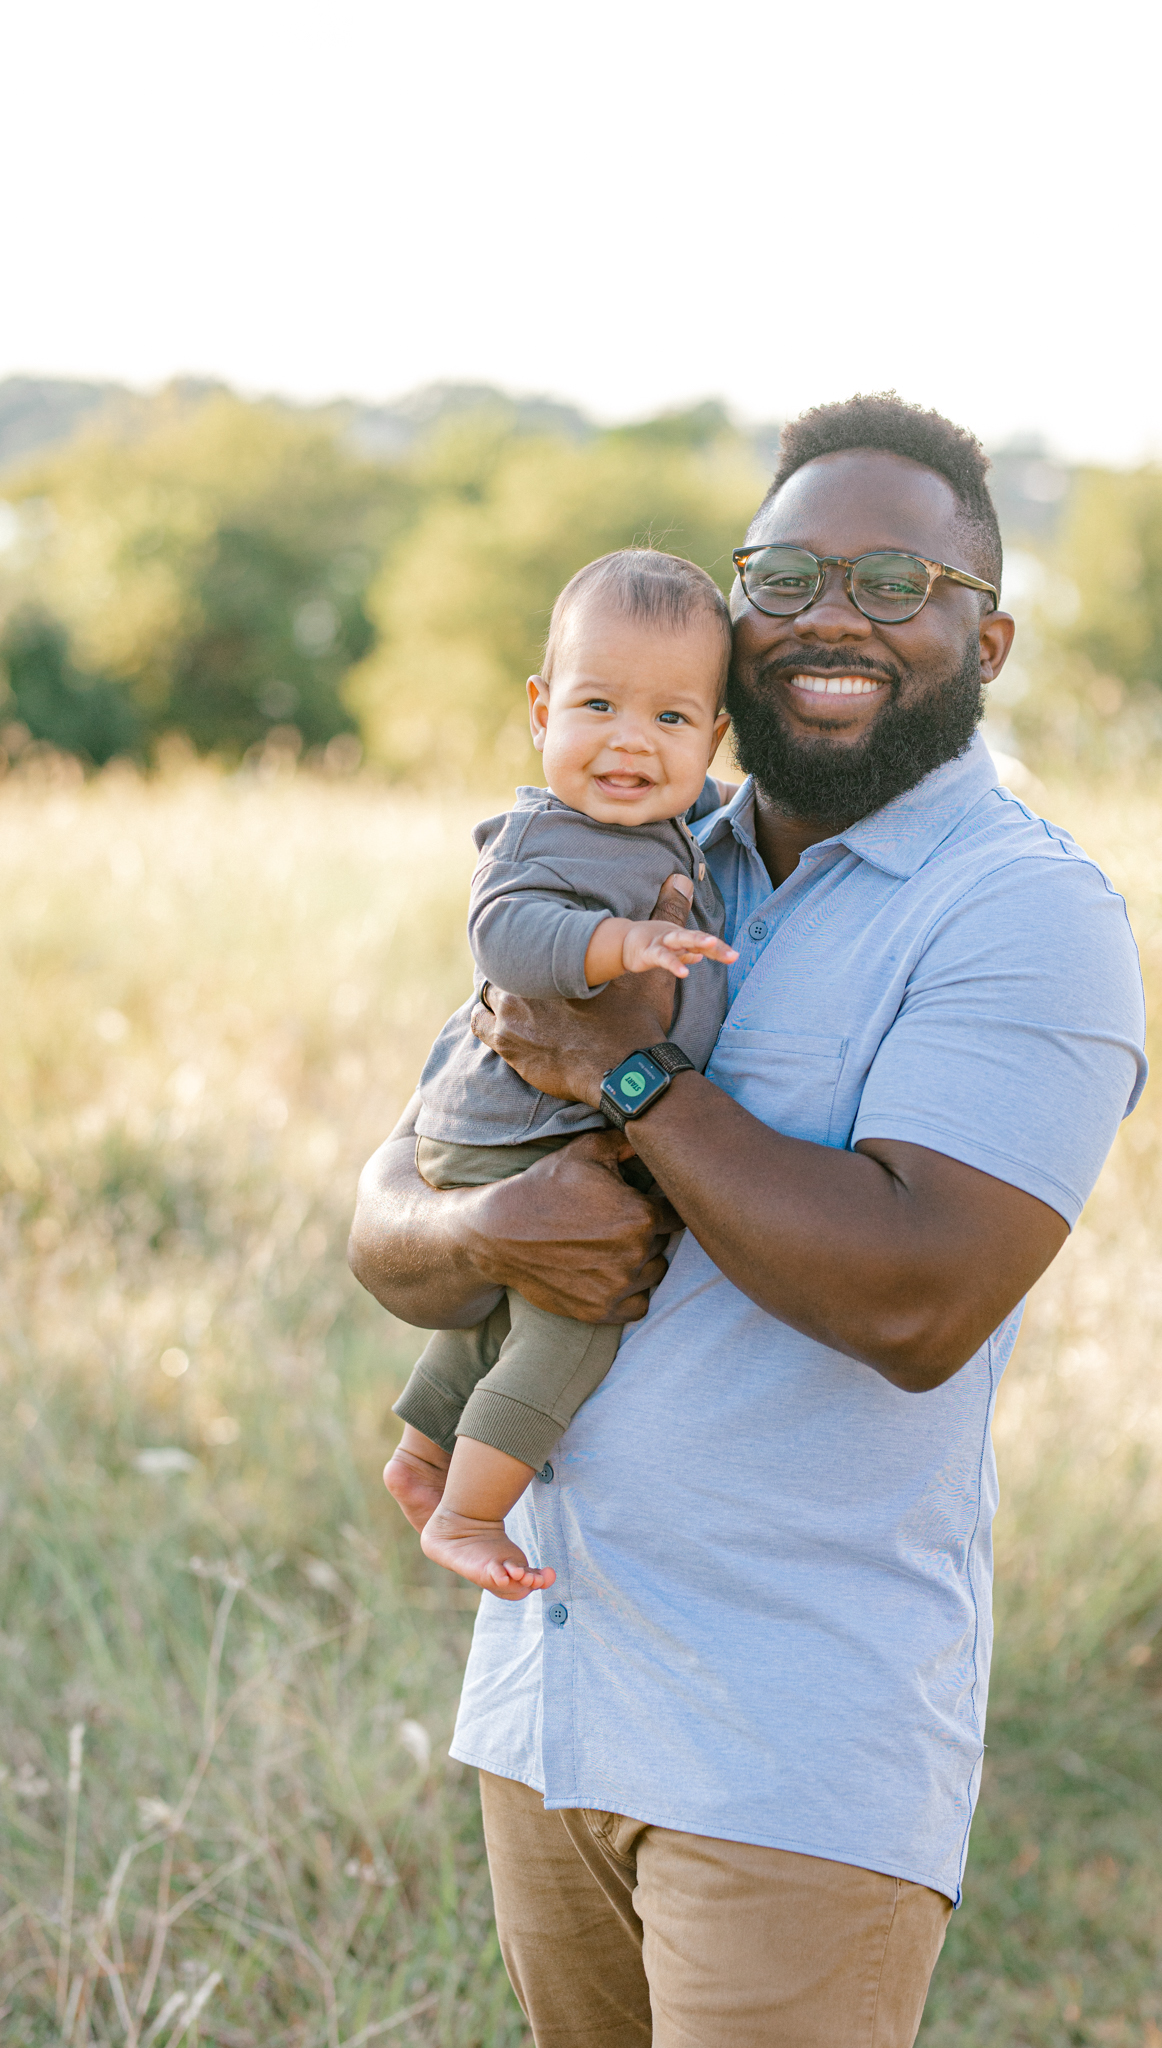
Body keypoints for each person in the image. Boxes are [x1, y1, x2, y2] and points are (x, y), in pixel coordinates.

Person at [349, 392, 1147, 2048]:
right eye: (785, 576)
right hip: (550, 1696)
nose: (829, 616)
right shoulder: (631, 843)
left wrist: (631, 1075)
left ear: (989, 639)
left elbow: (917, 1299)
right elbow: (397, 1203)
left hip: (789, 1748)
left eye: (894, 582)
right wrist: (492, 1237)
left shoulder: (1026, 914)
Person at [394, 548, 738, 1597]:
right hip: (511, 1125)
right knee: (580, 1315)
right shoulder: (543, 835)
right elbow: (504, 935)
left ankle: (422, 1446)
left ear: (713, 738)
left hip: (535, 1128)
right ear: (541, 711)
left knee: (519, 1299)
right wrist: (619, 945)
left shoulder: (671, 822)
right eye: (597, 705)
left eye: (672, 718)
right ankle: (468, 1513)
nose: (631, 739)